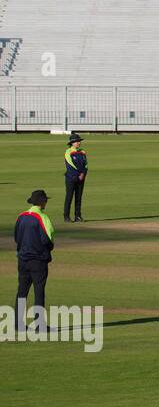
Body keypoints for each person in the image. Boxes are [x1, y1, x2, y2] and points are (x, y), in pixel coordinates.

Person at [15, 190, 54, 330]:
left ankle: (18, 324)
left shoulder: (21, 216)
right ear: (42, 202)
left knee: (22, 291)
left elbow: (17, 238)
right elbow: (48, 240)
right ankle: (39, 324)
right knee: (39, 292)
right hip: (38, 260)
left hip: (23, 259)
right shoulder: (43, 217)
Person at [62, 133, 88, 222]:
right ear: (72, 143)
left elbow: (86, 165)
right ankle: (66, 216)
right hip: (71, 177)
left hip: (81, 177)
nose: (78, 143)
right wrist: (79, 174)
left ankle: (78, 215)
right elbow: (70, 165)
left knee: (78, 197)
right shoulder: (68, 152)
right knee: (69, 197)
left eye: (79, 141)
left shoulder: (83, 151)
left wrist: (83, 174)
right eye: (76, 141)